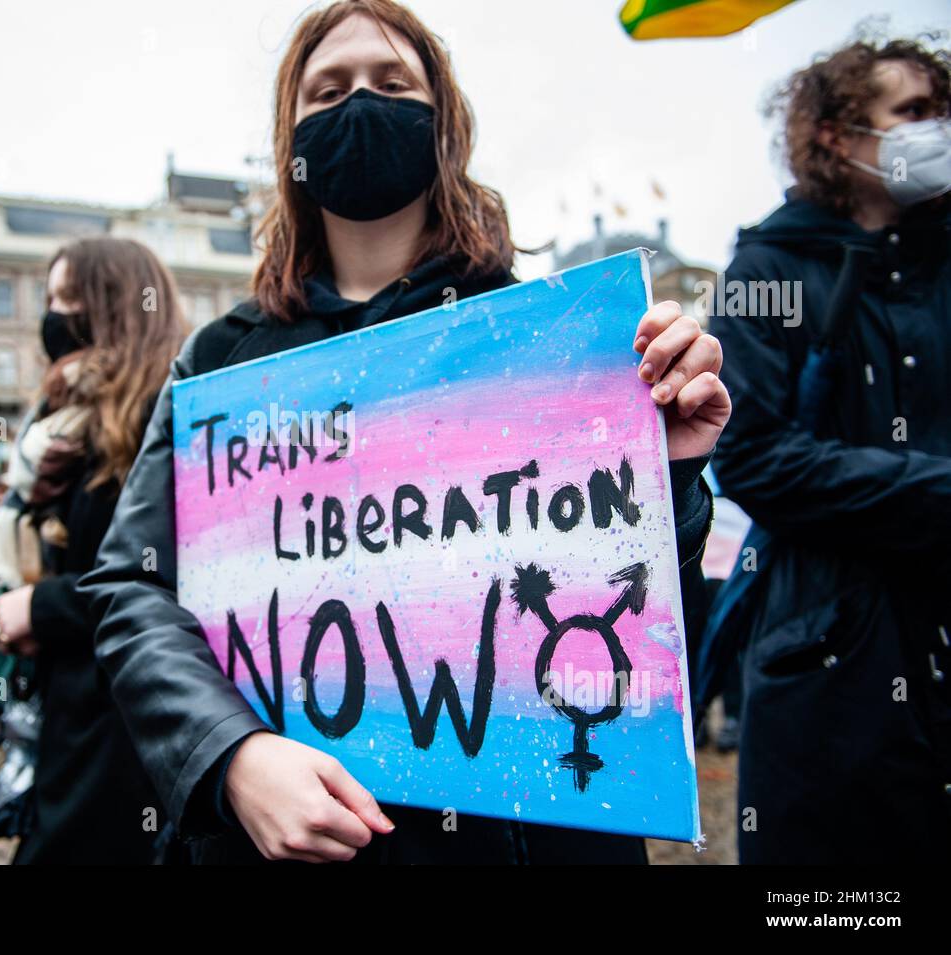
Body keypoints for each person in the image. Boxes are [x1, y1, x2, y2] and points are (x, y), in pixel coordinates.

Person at [76, 0, 731, 864]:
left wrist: (668, 477)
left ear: (442, 126)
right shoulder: (221, 358)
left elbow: (634, 626)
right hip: (278, 843)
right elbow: (132, 586)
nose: (360, 103)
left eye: (392, 83)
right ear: (292, 141)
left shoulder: (554, 337)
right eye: (328, 89)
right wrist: (230, 753)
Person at [709, 35, 951, 863]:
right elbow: (752, 457)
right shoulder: (767, 270)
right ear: (836, 137)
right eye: (914, 113)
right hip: (828, 667)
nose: (939, 129)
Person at [0, 237, 187, 863]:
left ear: (117, 304)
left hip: (123, 723)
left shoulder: (159, 412)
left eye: (71, 298)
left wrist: (42, 608)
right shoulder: (66, 420)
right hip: (68, 704)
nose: (55, 315)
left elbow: (167, 578)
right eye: (49, 299)